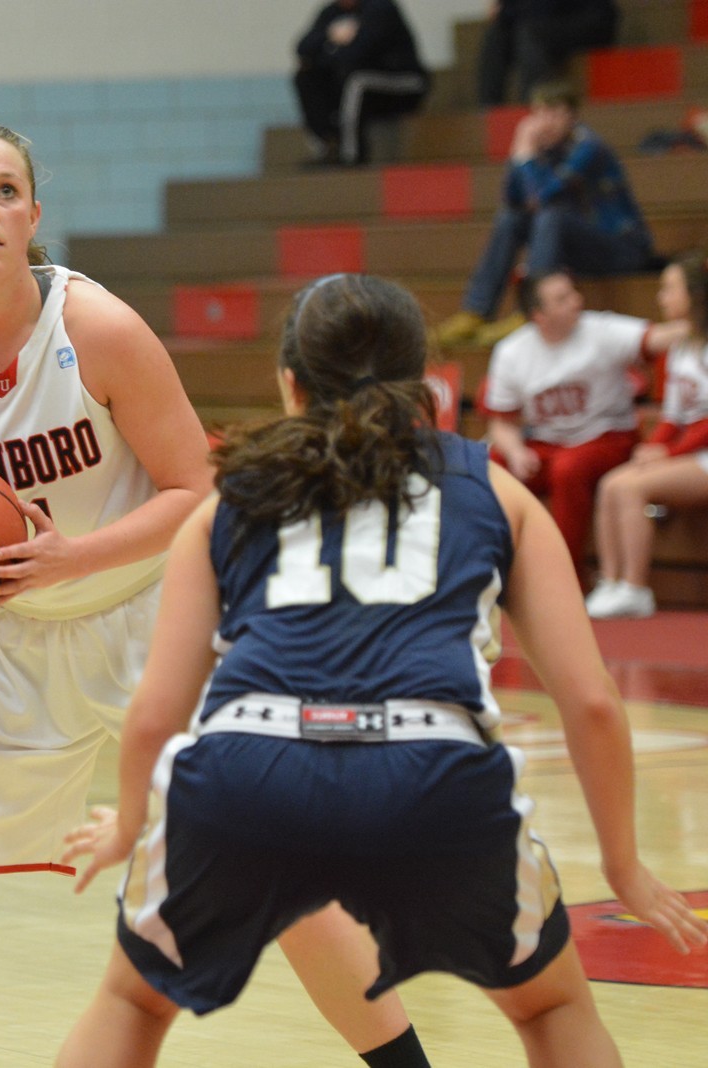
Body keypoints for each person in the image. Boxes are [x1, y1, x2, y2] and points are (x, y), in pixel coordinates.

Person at [0, 123, 433, 1068]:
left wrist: (81, 557)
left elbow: (195, 487)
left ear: (33, 214)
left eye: (2, 191)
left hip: (149, 623)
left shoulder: (97, 329)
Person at [55, 272, 708, 1068]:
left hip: (251, 768)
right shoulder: (493, 491)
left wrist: (127, 823)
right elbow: (593, 705)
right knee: (550, 1007)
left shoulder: (229, 500)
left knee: (133, 1000)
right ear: (425, 383)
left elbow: (158, 712)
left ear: (289, 382)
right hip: (432, 770)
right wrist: (623, 866)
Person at [435, 81, 654, 348]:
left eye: (553, 113)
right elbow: (513, 200)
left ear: (571, 116)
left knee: (552, 215)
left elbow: (543, 197)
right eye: (539, 114)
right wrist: (518, 156)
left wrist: (525, 156)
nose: (544, 122)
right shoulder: (543, 149)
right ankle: (475, 313)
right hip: (576, 249)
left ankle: (531, 307)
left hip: (620, 250)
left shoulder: (589, 148)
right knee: (510, 219)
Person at [482, 268, 664, 577]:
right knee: (491, 466)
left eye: (573, 293)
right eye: (563, 298)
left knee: (568, 468)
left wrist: (694, 324)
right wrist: (514, 452)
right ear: (539, 315)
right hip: (547, 442)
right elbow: (501, 423)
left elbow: (657, 338)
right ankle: (492, 570)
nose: (576, 301)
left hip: (607, 438)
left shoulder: (601, 329)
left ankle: (565, 576)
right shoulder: (512, 351)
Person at [588, 251, 708, 618]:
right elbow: (674, 415)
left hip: (702, 454)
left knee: (630, 488)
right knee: (611, 482)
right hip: (691, 452)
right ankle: (611, 582)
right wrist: (652, 447)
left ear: (696, 293)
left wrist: (668, 455)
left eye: (669, 289)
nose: (662, 297)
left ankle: (635, 588)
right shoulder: (680, 347)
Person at [293, 0, 430, 167]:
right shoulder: (331, 12)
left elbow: (358, 53)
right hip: (359, 81)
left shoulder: (380, 8)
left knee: (357, 82)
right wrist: (330, 34)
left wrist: (327, 54)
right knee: (306, 76)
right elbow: (302, 48)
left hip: (402, 82)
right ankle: (328, 144)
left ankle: (351, 156)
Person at [477, 1, 620, 107]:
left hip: (588, 19)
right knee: (496, 36)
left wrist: (506, 11)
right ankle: (489, 112)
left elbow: (544, 8)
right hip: (544, 20)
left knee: (531, 35)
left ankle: (534, 110)